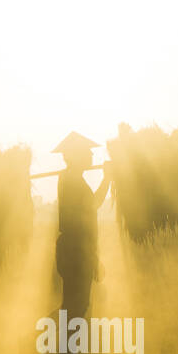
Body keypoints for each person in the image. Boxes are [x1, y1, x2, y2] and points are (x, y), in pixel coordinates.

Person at [53, 131, 112, 319]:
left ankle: (61, 344)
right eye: (87, 152)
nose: (92, 156)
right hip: (75, 252)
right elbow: (93, 205)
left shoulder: (69, 178)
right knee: (75, 306)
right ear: (77, 156)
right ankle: (50, 342)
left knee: (76, 305)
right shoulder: (72, 181)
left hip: (74, 250)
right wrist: (107, 178)